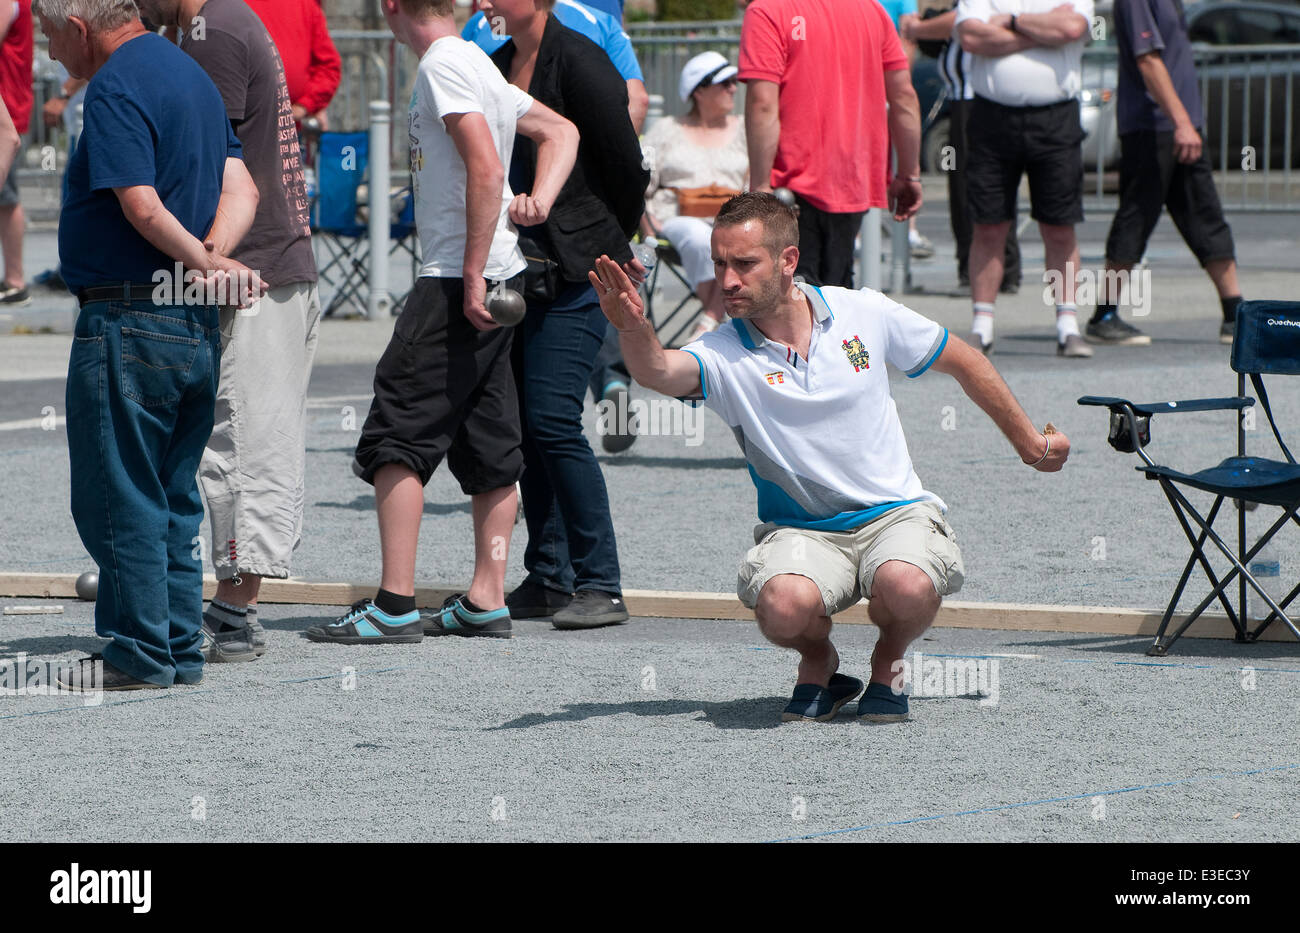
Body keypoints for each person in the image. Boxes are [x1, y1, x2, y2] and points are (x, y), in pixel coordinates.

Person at [589, 192, 1070, 722]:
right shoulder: (722, 350)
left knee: (906, 586)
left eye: (744, 264)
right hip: (803, 531)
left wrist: (1030, 442)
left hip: (895, 514)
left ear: (787, 261)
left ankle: (889, 661)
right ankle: (822, 661)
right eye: (719, 263)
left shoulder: (862, 309)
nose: (726, 280)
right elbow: (657, 371)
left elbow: (965, 360)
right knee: (781, 608)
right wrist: (632, 325)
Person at [304, 0, 577, 645]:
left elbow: (484, 166)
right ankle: (486, 597)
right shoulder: (476, 58)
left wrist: (474, 271)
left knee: (397, 427)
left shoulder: (442, 64)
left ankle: (394, 603)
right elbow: (561, 132)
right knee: (489, 436)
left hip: (458, 274)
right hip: (498, 269)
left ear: (392, 6)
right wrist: (536, 199)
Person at [36, 0, 263, 692]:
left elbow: (138, 202)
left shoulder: (113, 84)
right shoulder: (190, 73)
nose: (51, 55)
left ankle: (139, 650)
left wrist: (198, 260)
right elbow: (242, 184)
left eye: (52, 39)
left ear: (80, 26)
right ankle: (175, 642)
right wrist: (213, 256)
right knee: (171, 489)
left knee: (119, 489)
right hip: (190, 324)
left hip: (129, 316)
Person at [136, 0, 322, 665]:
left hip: (255, 265)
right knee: (240, 434)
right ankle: (226, 603)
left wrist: (201, 256)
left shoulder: (212, 32)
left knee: (244, 439)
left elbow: (206, 162)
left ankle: (236, 613)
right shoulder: (215, 24)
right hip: (261, 262)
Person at [482, 0, 648, 629]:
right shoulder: (497, 62)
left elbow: (625, 166)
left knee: (552, 419)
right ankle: (550, 576)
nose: (485, 2)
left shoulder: (580, 60)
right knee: (527, 423)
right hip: (523, 268)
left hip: (581, 267)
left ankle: (601, 582)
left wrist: (608, 242)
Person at [739, 0, 923, 289]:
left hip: (791, 183)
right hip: (854, 178)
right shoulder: (871, 10)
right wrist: (909, 174)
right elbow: (904, 98)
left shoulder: (768, 10)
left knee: (794, 299)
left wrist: (760, 185)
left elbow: (763, 103)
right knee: (836, 293)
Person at [1089, 0, 1241, 346]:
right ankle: (1104, 315)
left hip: (1179, 126)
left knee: (1205, 213)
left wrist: (1187, 124)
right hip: (1153, 126)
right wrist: (1182, 122)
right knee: (1137, 215)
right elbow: (1148, 59)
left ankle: (1234, 312)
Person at [956, 0, 1093, 357]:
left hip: (1056, 119)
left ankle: (1068, 326)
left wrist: (1011, 23)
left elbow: (1072, 29)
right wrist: (1041, 33)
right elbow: (970, 36)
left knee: (1060, 225)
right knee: (988, 224)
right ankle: (981, 327)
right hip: (991, 118)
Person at [901, 4, 1021, 292]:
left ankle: (991, 269)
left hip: (975, 102)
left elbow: (960, 20)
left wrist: (917, 28)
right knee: (960, 182)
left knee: (975, 186)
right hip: (961, 102)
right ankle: (977, 266)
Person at [641, 51, 747, 340]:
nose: (733, 88)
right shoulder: (666, 130)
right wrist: (646, 225)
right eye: (724, 83)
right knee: (701, 238)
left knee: (738, 240)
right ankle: (720, 318)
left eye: (734, 81)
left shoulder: (744, 129)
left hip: (733, 217)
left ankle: (710, 319)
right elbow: (640, 184)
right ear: (699, 90)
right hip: (676, 217)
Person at [464, 0, 647, 132]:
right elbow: (637, 99)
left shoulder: (480, 23)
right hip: (568, 170)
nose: (484, 4)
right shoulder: (599, 21)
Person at [244, 0, 340, 131]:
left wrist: (305, 105)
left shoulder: (306, 4)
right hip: (247, 123)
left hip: (292, 129)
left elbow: (329, 66)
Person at [0, 0, 32, 306]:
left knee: (6, 199)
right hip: (9, 110)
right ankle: (12, 278)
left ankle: (15, 279)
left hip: (5, 113)